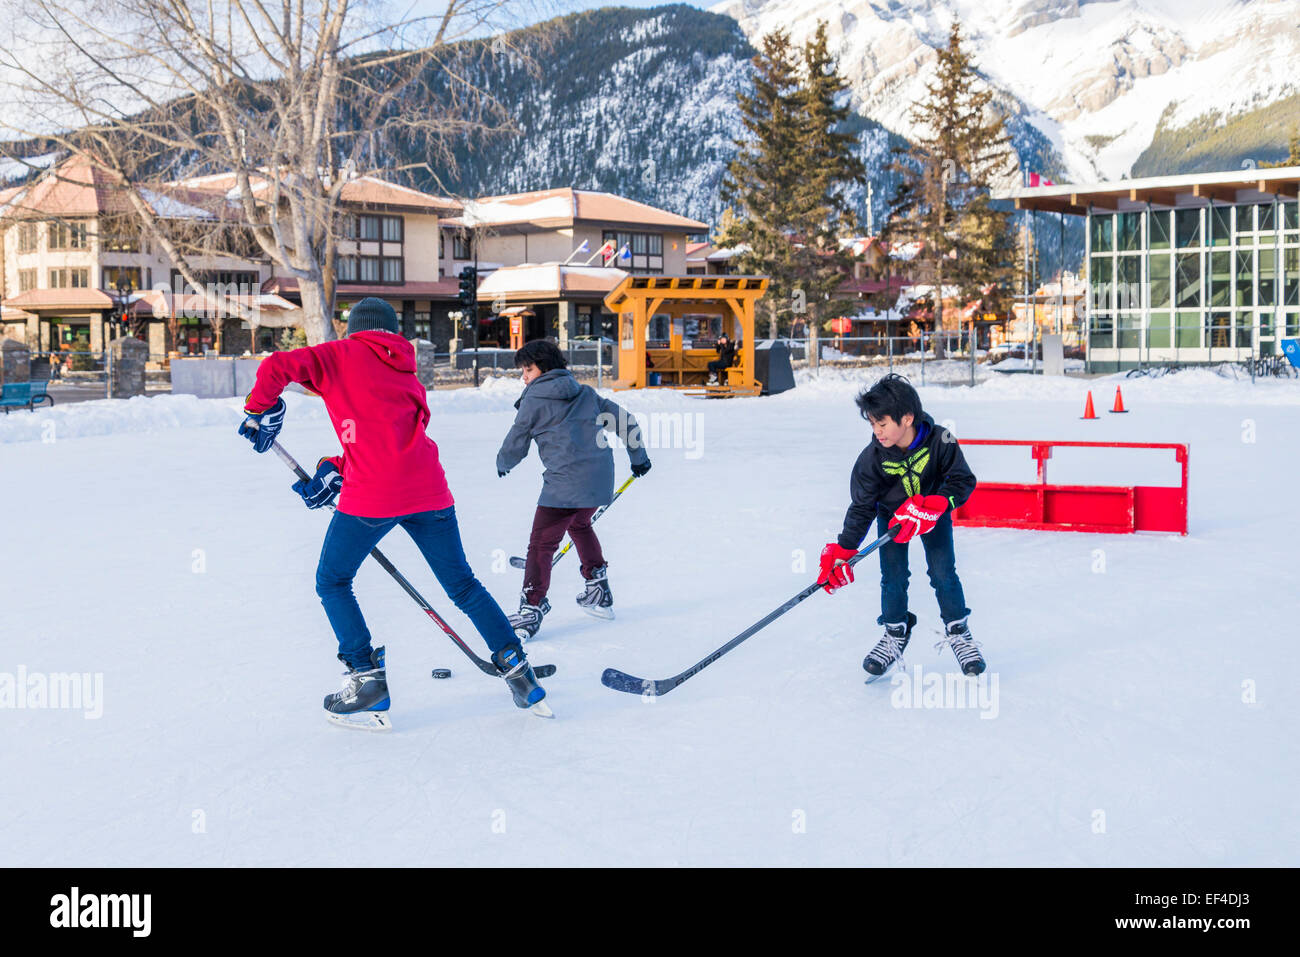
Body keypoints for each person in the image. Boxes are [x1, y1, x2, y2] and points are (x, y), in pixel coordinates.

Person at [237, 297, 548, 730]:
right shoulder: (405, 370)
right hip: (429, 489)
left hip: (374, 497)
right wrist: (335, 469)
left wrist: (257, 411)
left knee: (333, 580)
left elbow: (275, 368)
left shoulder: (340, 353)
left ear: (355, 329)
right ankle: (517, 668)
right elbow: (389, 441)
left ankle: (367, 680)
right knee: (462, 585)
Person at [816, 374, 984, 679]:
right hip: (892, 520)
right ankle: (895, 633)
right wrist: (844, 549)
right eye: (872, 425)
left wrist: (936, 504)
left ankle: (959, 631)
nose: (877, 431)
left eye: (882, 424)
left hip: (931, 516)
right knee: (892, 576)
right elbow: (862, 506)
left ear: (907, 418)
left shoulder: (941, 440)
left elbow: (962, 480)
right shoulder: (872, 458)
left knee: (943, 572)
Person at [497, 339, 651, 641]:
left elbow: (517, 439)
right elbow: (625, 422)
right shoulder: (585, 393)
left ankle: (531, 607)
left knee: (541, 544)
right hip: (599, 480)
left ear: (544, 367)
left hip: (565, 484)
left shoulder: (534, 400)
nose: (524, 377)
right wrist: (639, 458)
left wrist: (504, 462)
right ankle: (598, 589)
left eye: (528, 369)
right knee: (580, 524)